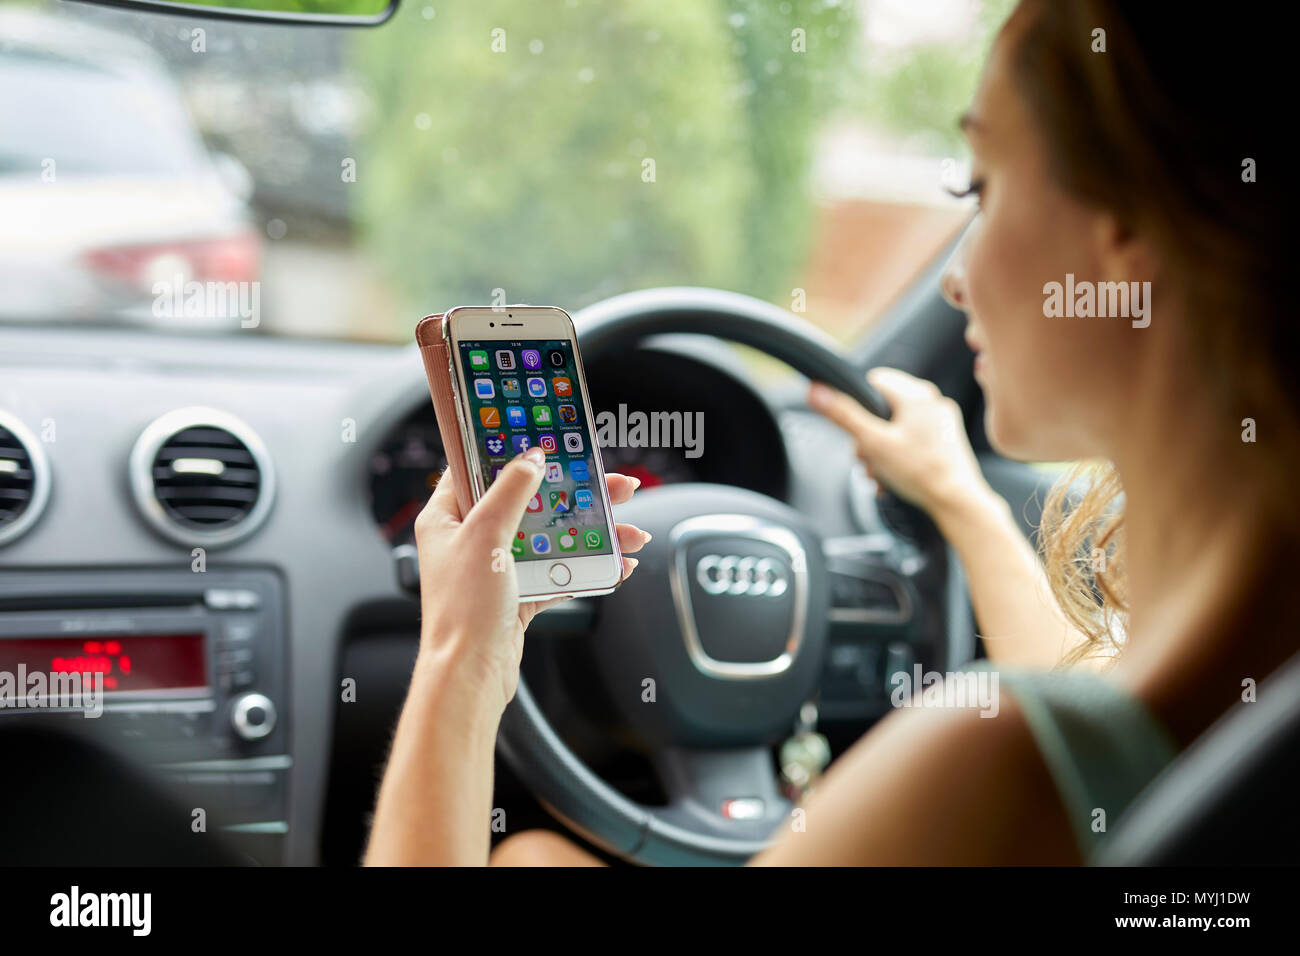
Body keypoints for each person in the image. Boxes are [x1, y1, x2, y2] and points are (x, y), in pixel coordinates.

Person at [364, 0, 1296, 866]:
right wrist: (959, 499)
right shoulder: (1224, 709)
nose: (953, 279)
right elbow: (1099, 706)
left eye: (982, 185)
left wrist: (463, 655)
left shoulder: (987, 768)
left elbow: (1067, 733)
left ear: (1124, 226)